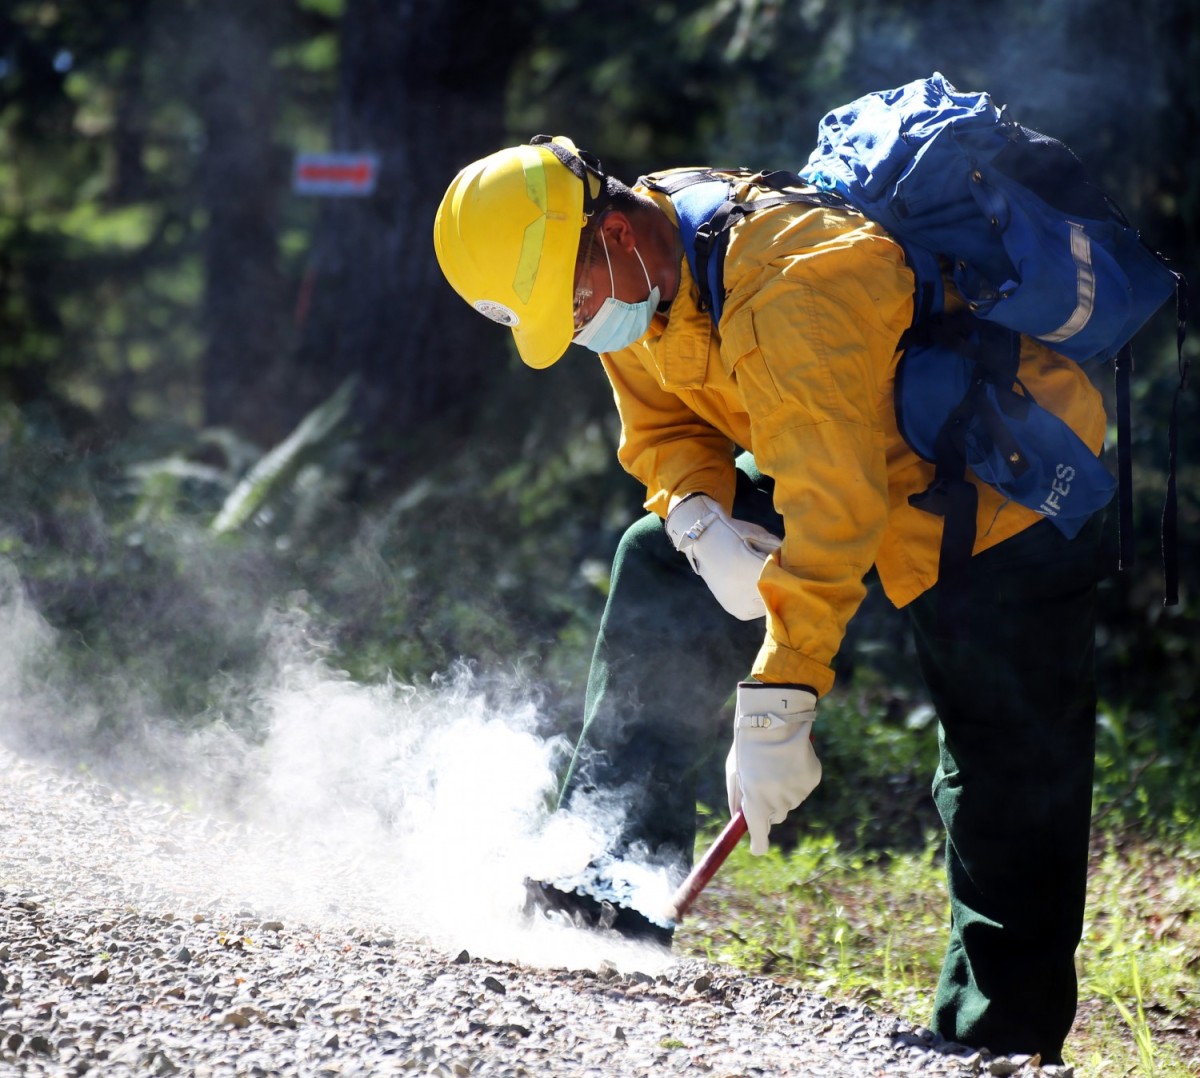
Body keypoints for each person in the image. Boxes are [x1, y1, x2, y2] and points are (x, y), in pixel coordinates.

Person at [432, 134, 1107, 1064]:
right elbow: (664, 423)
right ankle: (603, 900)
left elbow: (837, 522)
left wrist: (782, 698)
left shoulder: (790, 286)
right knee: (659, 563)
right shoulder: (639, 273)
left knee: (1006, 765)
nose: (582, 328)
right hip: (832, 444)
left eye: (576, 305)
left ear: (618, 235)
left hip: (1003, 482)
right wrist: (701, 519)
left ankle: (999, 1044)